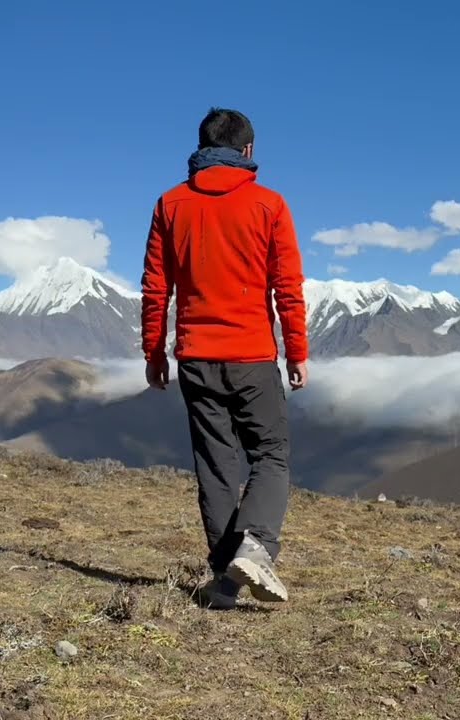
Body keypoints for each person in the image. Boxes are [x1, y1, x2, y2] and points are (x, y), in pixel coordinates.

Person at [140, 107, 308, 609]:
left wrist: (154, 352)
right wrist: (297, 351)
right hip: (252, 356)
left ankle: (224, 582)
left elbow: (156, 288)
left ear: (201, 146)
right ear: (248, 150)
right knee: (270, 455)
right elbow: (287, 287)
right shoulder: (269, 204)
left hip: (195, 358)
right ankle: (256, 546)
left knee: (215, 467)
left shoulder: (170, 204)